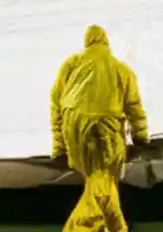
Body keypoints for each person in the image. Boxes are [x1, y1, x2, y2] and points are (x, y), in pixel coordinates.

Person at [50, 24, 150, 232]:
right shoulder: (121, 70)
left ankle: (99, 226)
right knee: (103, 180)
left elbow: (56, 102)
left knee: (96, 179)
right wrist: (140, 136)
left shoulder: (70, 65)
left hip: (75, 126)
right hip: (107, 127)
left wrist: (59, 145)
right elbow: (134, 106)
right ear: (106, 43)